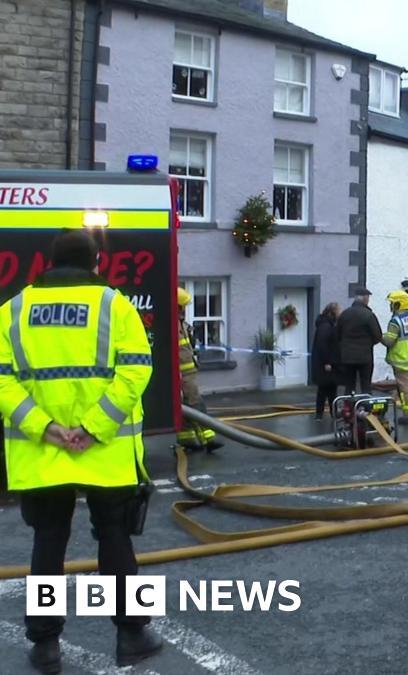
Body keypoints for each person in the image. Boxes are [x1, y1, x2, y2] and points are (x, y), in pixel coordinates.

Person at [0, 229, 163, 673]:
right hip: (103, 452)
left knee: (47, 544)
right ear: (95, 265)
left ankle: (45, 645)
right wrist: (92, 429)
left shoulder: (13, 311)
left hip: (42, 452)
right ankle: (131, 635)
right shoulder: (116, 305)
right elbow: (135, 372)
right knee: (114, 539)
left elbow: (3, 380)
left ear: (48, 264)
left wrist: (45, 427)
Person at [176, 287, 220, 452]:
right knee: (195, 404)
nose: (185, 310)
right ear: (178, 307)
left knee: (186, 407)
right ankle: (208, 438)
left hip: (188, 372)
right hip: (183, 374)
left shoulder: (182, 324)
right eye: (183, 306)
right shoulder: (172, 325)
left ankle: (188, 439)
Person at [381, 290, 408, 424]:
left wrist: (378, 336)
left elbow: (389, 341)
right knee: (407, 386)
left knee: (406, 388)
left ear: (398, 304)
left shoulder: (395, 322)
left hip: (400, 360)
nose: (390, 306)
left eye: (392, 303)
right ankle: (394, 404)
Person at [336, 287, 382, 395]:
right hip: (365, 357)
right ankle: (365, 409)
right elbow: (378, 336)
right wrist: (369, 343)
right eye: (368, 298)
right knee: (366, 385)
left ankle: (349, 408)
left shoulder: (344, 314)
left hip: (347, 357)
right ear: (365, 298)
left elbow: (338, 334)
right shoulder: (368, 315)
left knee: (349, 385)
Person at [311, 303, 341, 420]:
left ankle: (324, 413)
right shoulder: (326, 327)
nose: (340, 313)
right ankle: (325, 413)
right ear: (331, 312)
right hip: (325, 365)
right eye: (338, 310)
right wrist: (327, 362)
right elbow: (323, 345)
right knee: (327, 390)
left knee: (326, 390)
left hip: (323, 364)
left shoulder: (326, 325)